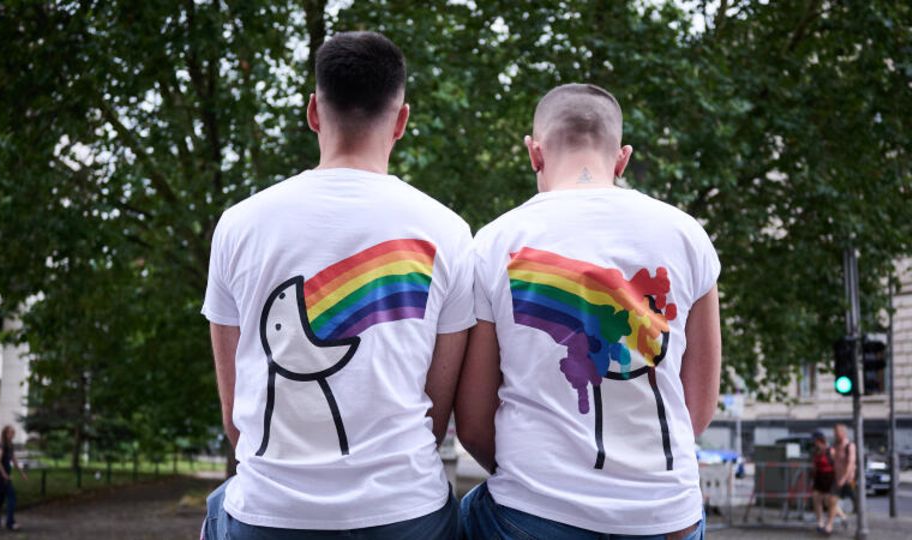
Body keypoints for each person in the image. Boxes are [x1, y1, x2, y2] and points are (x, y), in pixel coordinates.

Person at [200, 31, 474, 540]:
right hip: (404, 514)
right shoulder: (449, 232)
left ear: (312, 112)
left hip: (269, 513)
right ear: (401, 121)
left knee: (220, 507)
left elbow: (236, 415)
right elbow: (435, 417)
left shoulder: (238, 225)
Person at [455, 83, 721, 539]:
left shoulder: (495, 241)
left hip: (535, 513)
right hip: (664, 516)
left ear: (534, 153)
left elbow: (474, 422)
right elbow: (697, 407)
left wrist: (538, 481)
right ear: (622, 159)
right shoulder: (686, 235)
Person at [0, 425, 27, 531]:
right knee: (11, 498)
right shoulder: (2, 445)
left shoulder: (10, 445)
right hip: (1, 477)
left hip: (5, 476)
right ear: (6, 433)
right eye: (11, 433)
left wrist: (21, 473)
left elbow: (14, 460)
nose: (13, 435)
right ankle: (10, 522)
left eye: (13, 433)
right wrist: (3, 474)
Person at [825, 423, 856, 535]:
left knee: (857, 504)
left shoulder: (850, 446)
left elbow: (851, 463)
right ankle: (830, 525)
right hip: (837, 479)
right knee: (831, 500)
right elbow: (835, 461)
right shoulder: (835, 445)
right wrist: (831, 455)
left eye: (837, 433)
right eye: (834, 433)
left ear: (843, 433)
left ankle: (847, 521)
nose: (835, 435)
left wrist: (844, 478)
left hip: (848, 480)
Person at [811, 431, 835, 533]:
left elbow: (836, 465)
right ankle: (820, 522)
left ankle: (829, 523)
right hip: (819, 477)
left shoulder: (830, 450)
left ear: (819, 440)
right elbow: (814, 465)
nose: (813, 442)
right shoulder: (815, 451)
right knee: (816, 499)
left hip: (829, 477)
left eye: (815, 440)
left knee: (828, 501)